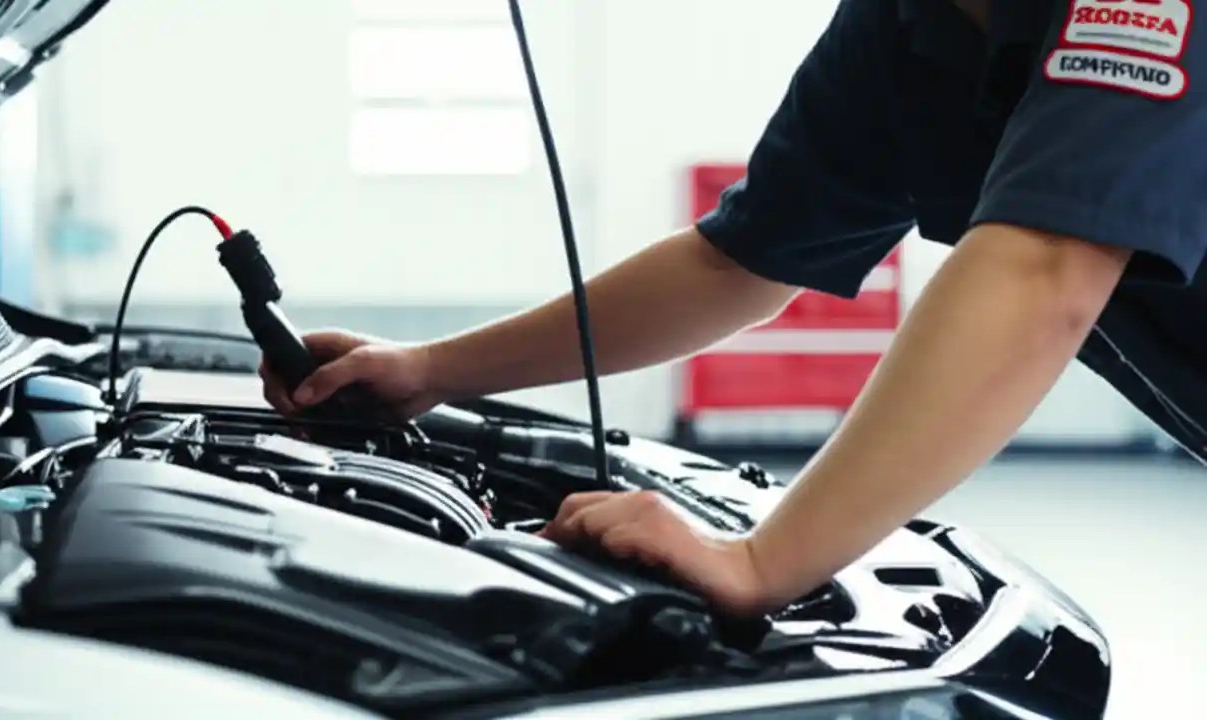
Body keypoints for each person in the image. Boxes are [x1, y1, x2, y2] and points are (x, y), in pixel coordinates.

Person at [262, 0, 1207, 616]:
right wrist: (432, 372)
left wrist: (766, 562)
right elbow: (740, 264)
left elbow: (1042, 272)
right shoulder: (909, 26)